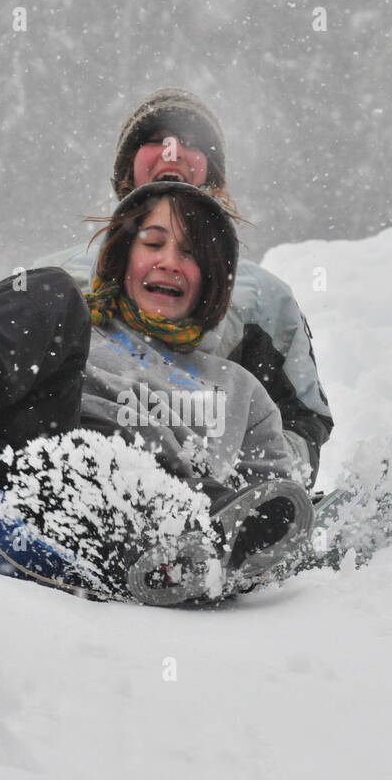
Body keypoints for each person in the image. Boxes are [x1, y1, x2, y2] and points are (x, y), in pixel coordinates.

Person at [0, 183, 313, 604]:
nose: (169, 262)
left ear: (215, 281)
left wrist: (264, 531)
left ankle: (188, 549)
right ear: (123, 257)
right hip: (19, 460)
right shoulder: (75, 326)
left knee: (167, 488)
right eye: (153, 244)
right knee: (44, 291)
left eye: (191, 254)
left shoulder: (238, 388)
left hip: (151, 511)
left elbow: (276, 506)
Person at [33, 87, 334, 486]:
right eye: (155, 140)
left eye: (191, 143)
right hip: (68, 456)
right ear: (127, 168)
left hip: (204, 477)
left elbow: (301, 421)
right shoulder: (58, 275)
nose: (172, 153)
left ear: (213, 172)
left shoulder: (263, 299)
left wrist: (262, 485)